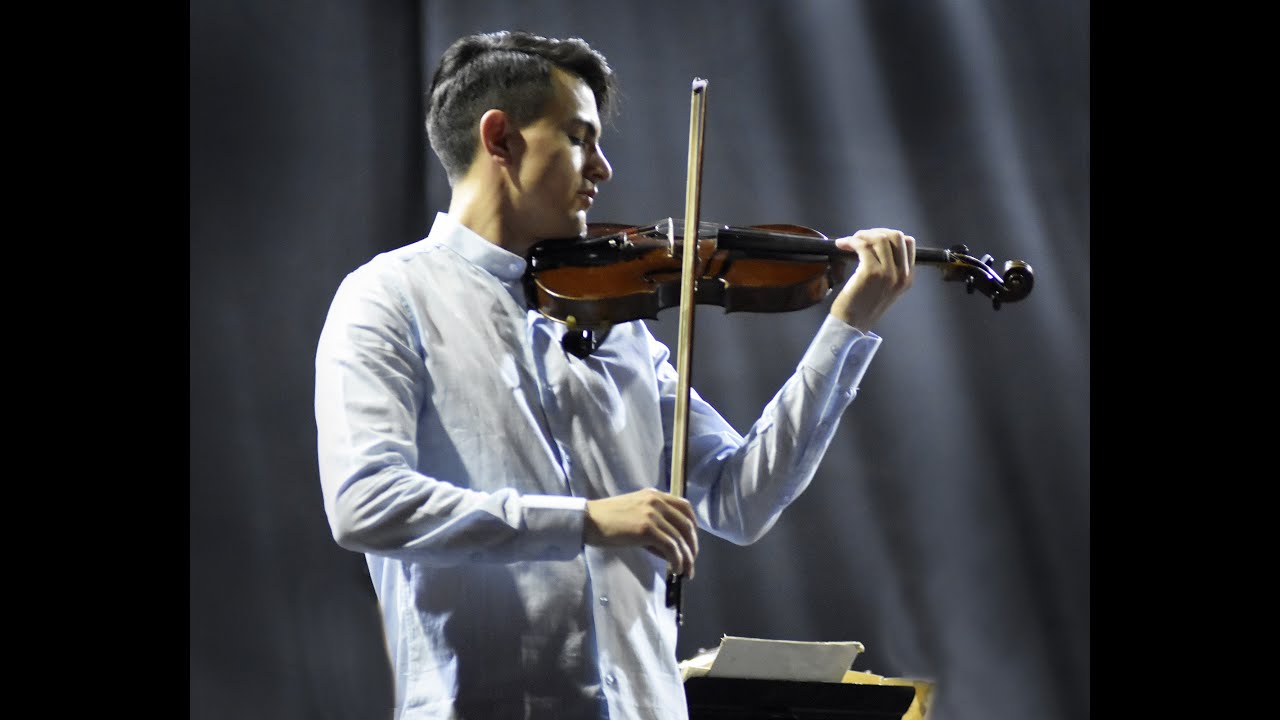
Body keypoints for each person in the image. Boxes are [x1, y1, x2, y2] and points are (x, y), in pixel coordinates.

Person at [315, 30, 916, 720]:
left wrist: (845, 329)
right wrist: (587, 520)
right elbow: (366, 502)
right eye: (580, 138)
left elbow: (740, 499)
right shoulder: (388, 297)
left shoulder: (619, 321)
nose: (603, 168)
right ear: (500, 138)